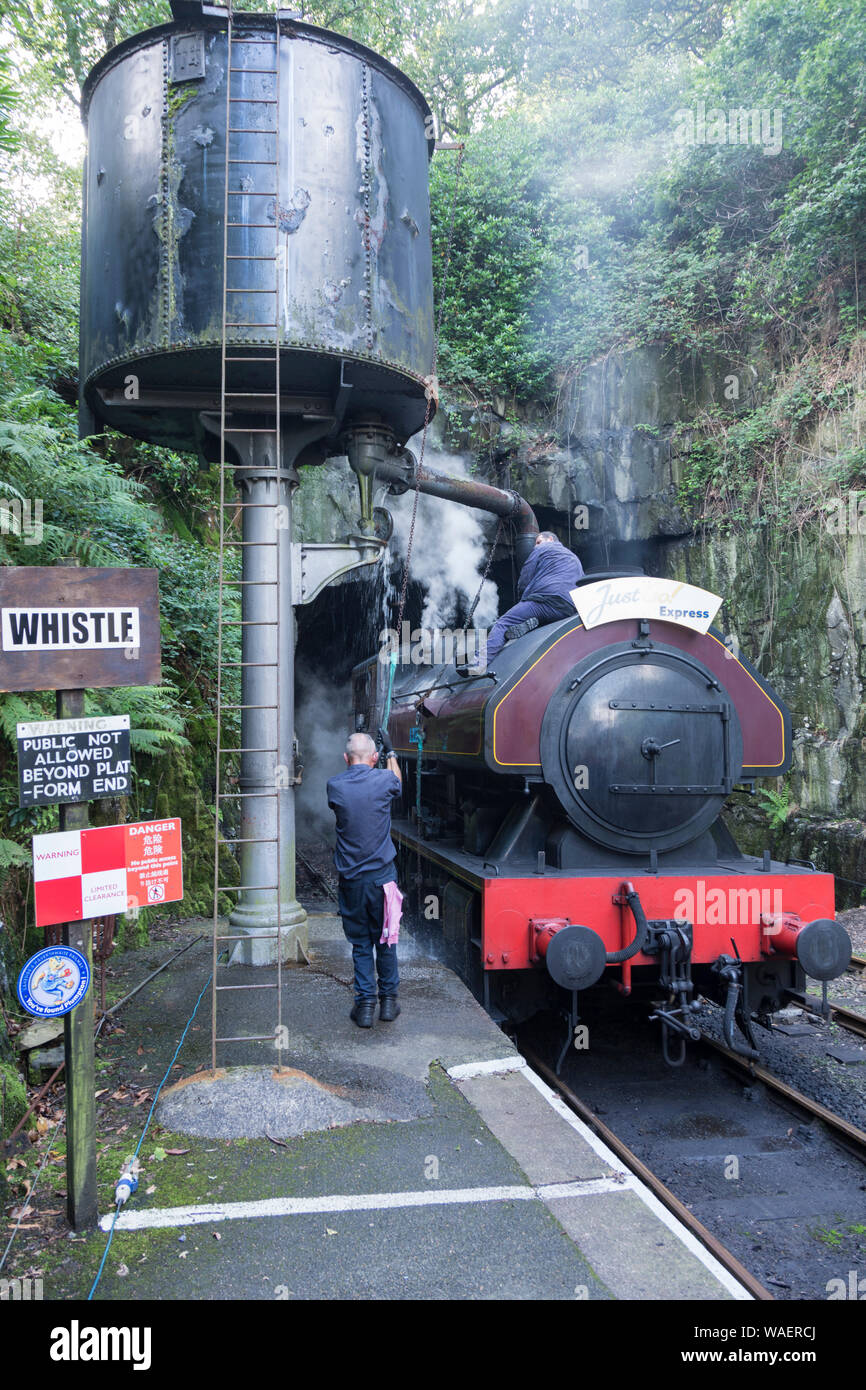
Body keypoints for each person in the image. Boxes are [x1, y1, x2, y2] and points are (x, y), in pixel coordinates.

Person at [326, 727, 403, 1028]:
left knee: (360, 944)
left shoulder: (335, 786)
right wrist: (392, 752)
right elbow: (396, 780)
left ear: (345, 758)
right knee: (386, 940)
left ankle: (366, 1006)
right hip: (384, 878)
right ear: (374, 758)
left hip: (352, 881)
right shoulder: (385, 779)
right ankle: (389, 1004)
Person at [461, 531, 583, 670]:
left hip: (544, 600)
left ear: (550, 539)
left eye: (537, 542)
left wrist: (521, 601)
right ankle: (530, 625)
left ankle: (478, 663)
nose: (535, 546)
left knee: (503, 623)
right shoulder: (574, 558)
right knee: (542, 625)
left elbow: (525, 577)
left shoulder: (543, 548)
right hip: (569, 608)